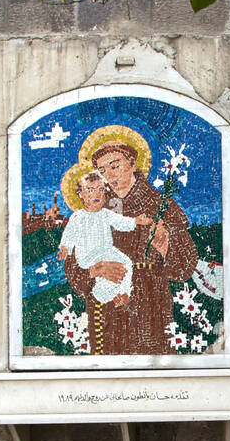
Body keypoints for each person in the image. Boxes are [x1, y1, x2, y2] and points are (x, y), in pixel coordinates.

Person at [49, 126, 198, 355]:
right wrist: (94, 270)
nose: (109, 174)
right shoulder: (93, 210)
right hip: (104, 307)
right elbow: (71, 265)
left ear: (132, 164)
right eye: (102, 170)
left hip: (150, 306)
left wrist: (164, 245)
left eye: (115, 165)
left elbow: (185, 266)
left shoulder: (160, 206)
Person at [55, 165, 152, 307]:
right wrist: (65, 247)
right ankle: (104, 295)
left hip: (107, 251)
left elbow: (120, 222)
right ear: (80, 194)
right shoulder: (77, 217)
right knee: (103, 277)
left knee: (126, 263)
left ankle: (123, 293)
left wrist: (136, 221)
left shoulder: (106, 214)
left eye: (101, 190)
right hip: (89, 256)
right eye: (90, 190)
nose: (97, 194)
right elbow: (69, 234)